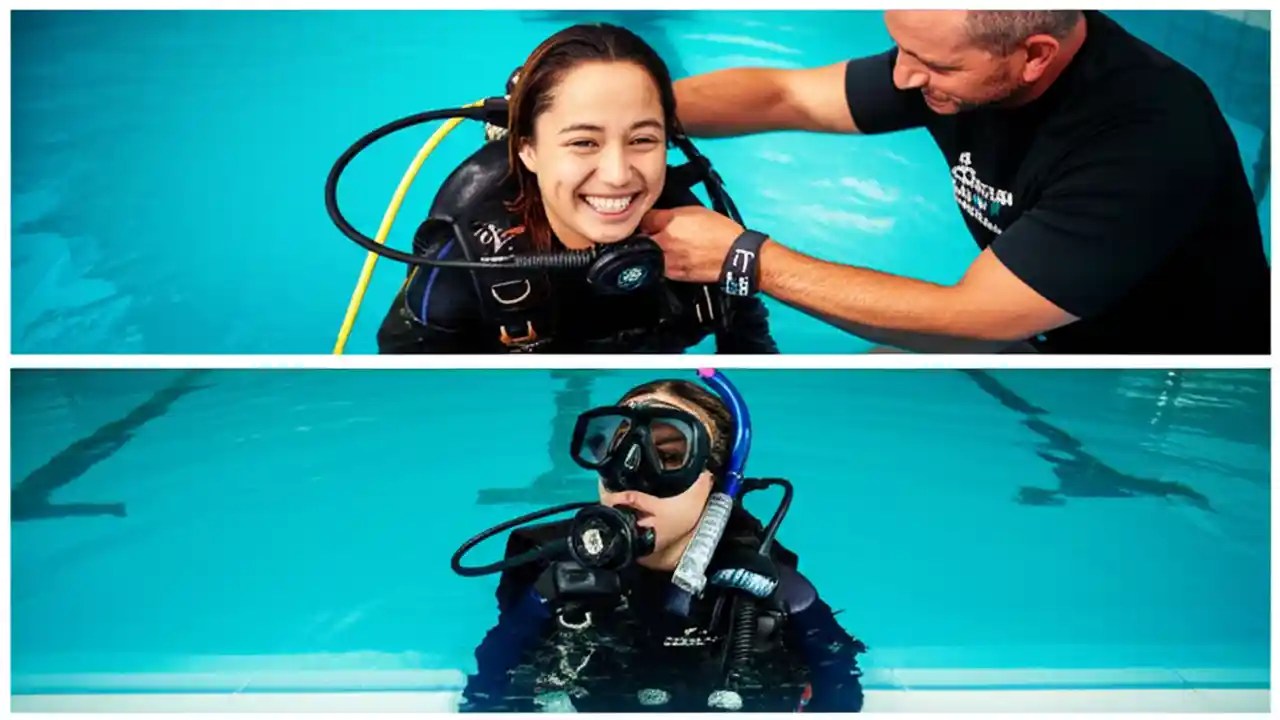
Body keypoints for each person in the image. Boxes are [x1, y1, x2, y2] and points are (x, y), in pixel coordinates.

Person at [641, 10, 1270, 354]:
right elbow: (786, 96)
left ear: (1035, 56)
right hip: (1046, 322)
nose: (905, 79)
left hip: (1177, 367)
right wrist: (629, 112)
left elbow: (974, 317)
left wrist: (747, 259)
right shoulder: (955, 64)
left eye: (933, 64)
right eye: (900, 49)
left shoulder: (1146, 139)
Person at [450, 372, 866, 712]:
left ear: (718, 482)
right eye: (614, 452)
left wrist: (804, 608)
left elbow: (841, 690)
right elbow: (487, 693)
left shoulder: (766, 583)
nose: (630, 477)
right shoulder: (548, 568)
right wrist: (536, 604)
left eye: (668, 456)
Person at [376, 23, 777, 354]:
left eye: (643, 140)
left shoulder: (703, 239)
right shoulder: (469, 260)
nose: (618, 175)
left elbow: (750, 346)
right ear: (527, 149)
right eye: (583, 142)